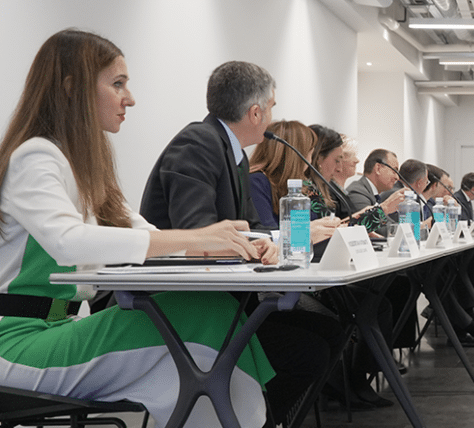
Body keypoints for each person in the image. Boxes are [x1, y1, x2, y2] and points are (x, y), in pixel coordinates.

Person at [0, 29, 274, 428]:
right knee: (204, 317)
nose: (130, 97)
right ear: (73, 88)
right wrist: (196, 238)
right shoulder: (36, 155)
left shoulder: (85, 166)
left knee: (209, 323)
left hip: (63, 325)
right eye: (117, 84)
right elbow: (69, 242)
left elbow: (139, 229)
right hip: (19, 342)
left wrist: (233, 245)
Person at [140, 61, 339, 425]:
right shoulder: (197, 143)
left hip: (220, 297)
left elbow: (253, 227)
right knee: (308, 352)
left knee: (328, 331)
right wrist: (265, 241)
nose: (272, 115)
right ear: (255, 112)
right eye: (272, 107)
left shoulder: (232, 154)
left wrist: (268, 241)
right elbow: (197, 235)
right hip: (182, 305)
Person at [345, 148, 402, 215]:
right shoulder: (357, 192)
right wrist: (386, 207)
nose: (397, 178)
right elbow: (371, 222)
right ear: (378, 169)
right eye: (394, 171)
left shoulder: (374, 194)